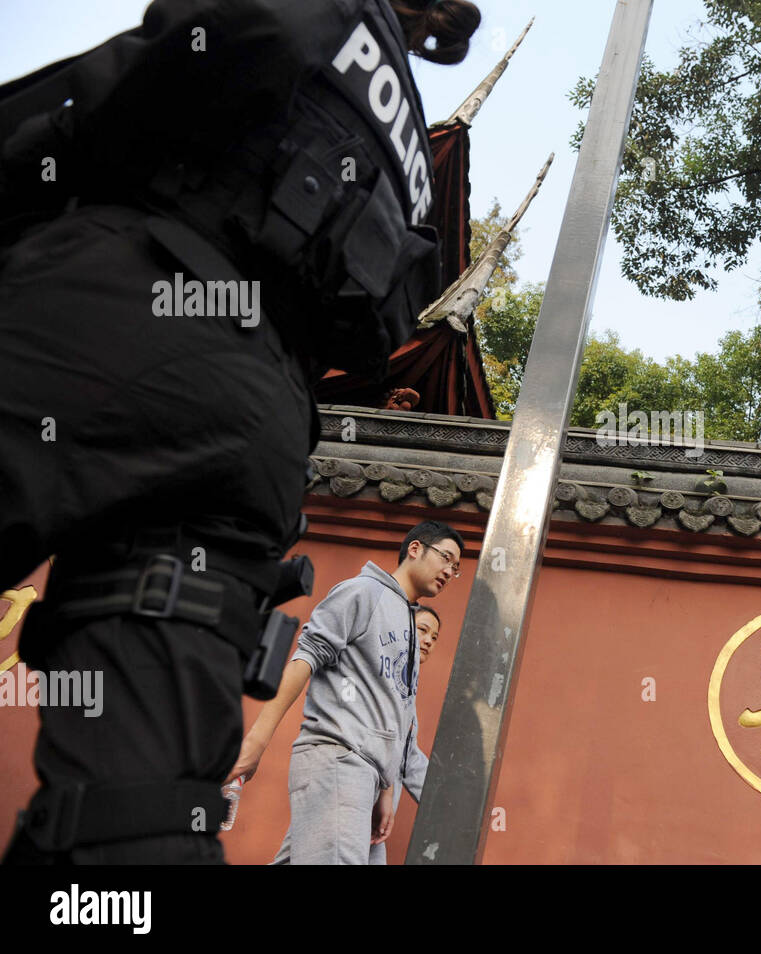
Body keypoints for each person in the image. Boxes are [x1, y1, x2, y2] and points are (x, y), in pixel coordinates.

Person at [0, 0, 481, 865]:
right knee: (135, 809)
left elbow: (126, 88)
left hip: (125, 311)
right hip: (260, 435)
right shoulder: (407, 144)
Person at [238, 522, 462, 866]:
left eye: (456, 567)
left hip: (366, 781)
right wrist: (256, 741)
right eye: (446, 558)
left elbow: (394, 715)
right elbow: (306, 657)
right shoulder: (363, 592)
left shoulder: (409, 626)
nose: (449, 571)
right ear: (415, 549)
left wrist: (386, 789)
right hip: (339, 760)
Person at [269, 604, 442, 864]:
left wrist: (447, 797)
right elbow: (356, 715)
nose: (428, 640)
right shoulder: (371, 672)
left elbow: (408, 759)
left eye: (435, 637)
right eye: (422, 630)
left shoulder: (404, 692)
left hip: (362, 809)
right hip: (344, 787)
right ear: (402, 630)